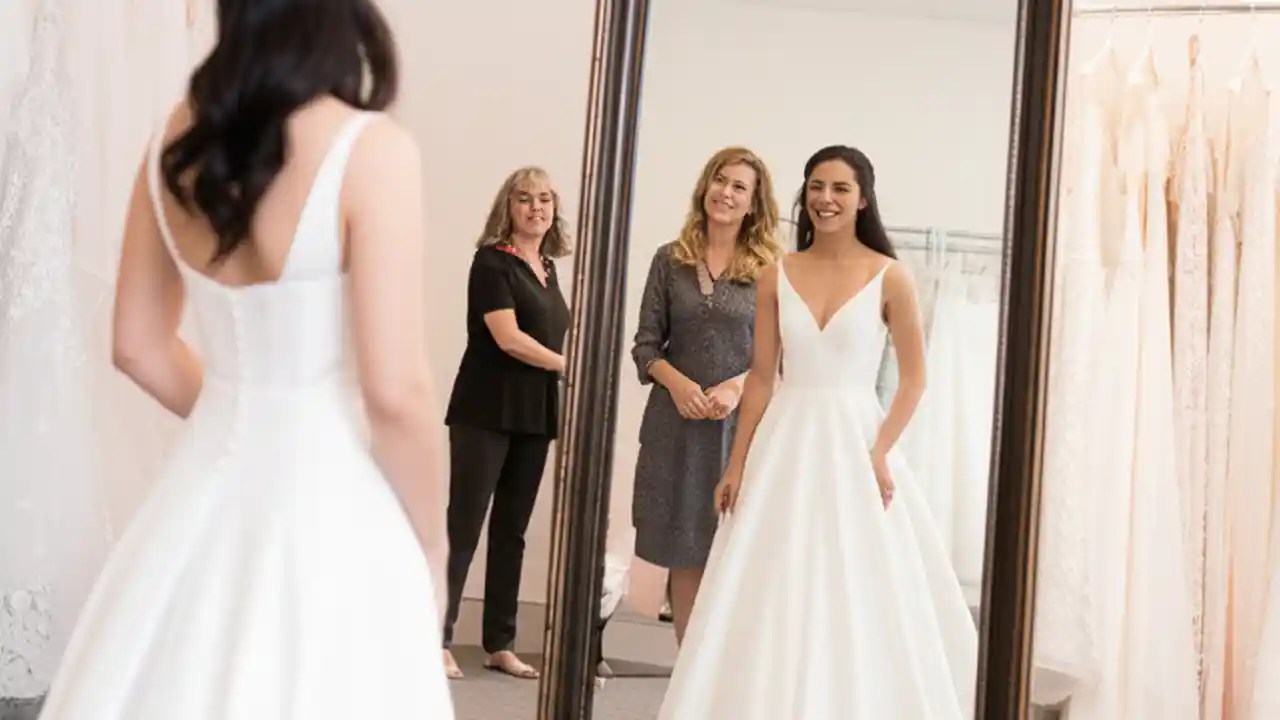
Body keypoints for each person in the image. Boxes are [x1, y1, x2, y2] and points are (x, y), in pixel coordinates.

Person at [36, 1, 455, 717]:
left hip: (202, 487)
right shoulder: (372, 148)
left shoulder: (176, 139)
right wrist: (433, 544)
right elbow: (397, 391)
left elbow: (137, 346)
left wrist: (245, 417)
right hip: (335, 496)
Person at [658, 145, 977, 719]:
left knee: (855, 576)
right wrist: (736, 465)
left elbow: (914, 380)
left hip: (855, 443)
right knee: (773, 574)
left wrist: (881, 451)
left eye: (840, 189)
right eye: (816, 187)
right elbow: (760, 378)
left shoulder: (891, 277)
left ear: (862, 200)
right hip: (786, 442)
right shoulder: (777, 273)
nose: (826, 199)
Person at [630, 146, 781, 645]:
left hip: (742, 431)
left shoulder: (772, 271)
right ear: (705, 186)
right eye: (720, 180)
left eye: (740, 186)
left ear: (754, 203)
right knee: (686, 549)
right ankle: (689, 677)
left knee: (736, 551)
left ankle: (727, 675)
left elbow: (782, 356)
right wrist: (679, 385)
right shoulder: (668, 260)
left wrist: (738, 386)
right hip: (675, 427)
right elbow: (645, 346)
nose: (726, 192)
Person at [440, 167, 571, 680]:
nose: (536, 208)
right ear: (508, 207)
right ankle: (437, 636)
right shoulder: (492, 262)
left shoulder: (549, 269)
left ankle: (500, 641)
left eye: (544, 199)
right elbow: (508, 337)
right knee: (465, 523)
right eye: (525, 199)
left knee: (512, 531)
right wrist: (568, 366)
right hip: (485, 410)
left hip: (535, 413)